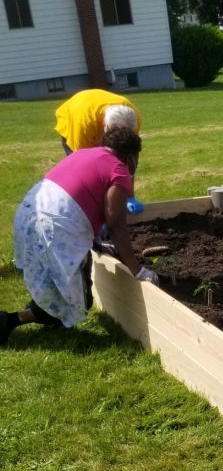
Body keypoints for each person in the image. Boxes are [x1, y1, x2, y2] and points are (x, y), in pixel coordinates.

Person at [0, 126, 158, 346]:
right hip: (56, 228)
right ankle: (10, 320)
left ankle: (41, 312)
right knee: (79, 301)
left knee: (54, 280)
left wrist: (97, 243)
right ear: (132, 155)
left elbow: (79, 195)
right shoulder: (119, 171)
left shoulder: (84, 154)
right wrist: (137, 270)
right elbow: (116, 226)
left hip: (30, 212)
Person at [54, 88, 144, 213]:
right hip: (75, 115)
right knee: (88, 174)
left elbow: (130, 156)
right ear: (106, 126)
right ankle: (89, 208)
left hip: (97, 116)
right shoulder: (83, 126)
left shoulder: (133, 117)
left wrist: (130, 196)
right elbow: (83, 166)